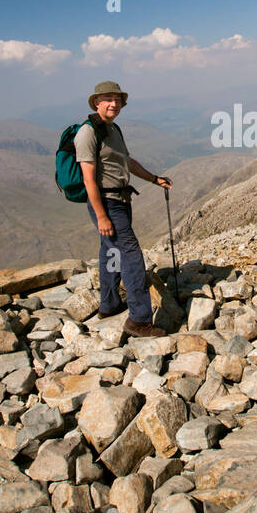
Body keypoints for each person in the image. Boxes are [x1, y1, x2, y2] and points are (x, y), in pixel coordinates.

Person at [75, 80, 173, 338]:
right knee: (130, 256)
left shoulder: (112, 129)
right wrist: (101, 215)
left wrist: (154, 179)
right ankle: (139, 320)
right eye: (107, 99)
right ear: (96, 103)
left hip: (120, 200)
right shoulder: (87, 133)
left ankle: (108, 306)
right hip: (106, 203)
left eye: (117, 100)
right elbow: (88, 178)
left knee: (110, 253)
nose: (113, 104)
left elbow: (127, 161)